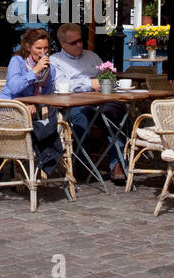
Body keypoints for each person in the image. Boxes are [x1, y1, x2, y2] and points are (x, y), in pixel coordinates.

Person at [50, 22, 126, 182]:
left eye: (80, 40)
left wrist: (107, 81)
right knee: (80, 117)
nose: (80, 44)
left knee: (117, 113)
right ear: (63, 44)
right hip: (74, 105)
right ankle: (83, 164)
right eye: (74, 42)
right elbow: (59, 84)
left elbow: (107, 76)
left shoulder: (91, 56)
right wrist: (89, 83)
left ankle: (117, 163)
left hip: (100, 103)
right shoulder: (55, 61)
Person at [0, 27, 65, 174]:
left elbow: (46, 95)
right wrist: (35, 71)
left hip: (30, 113)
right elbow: (14, 87)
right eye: (38, 48)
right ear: (28, 47)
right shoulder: (17, 61)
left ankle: (35, 166)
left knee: (49, 127)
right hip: (7, 108)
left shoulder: (50, 70)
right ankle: (3, 171)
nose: (43, 52)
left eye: (46, 48)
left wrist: (37, 104)